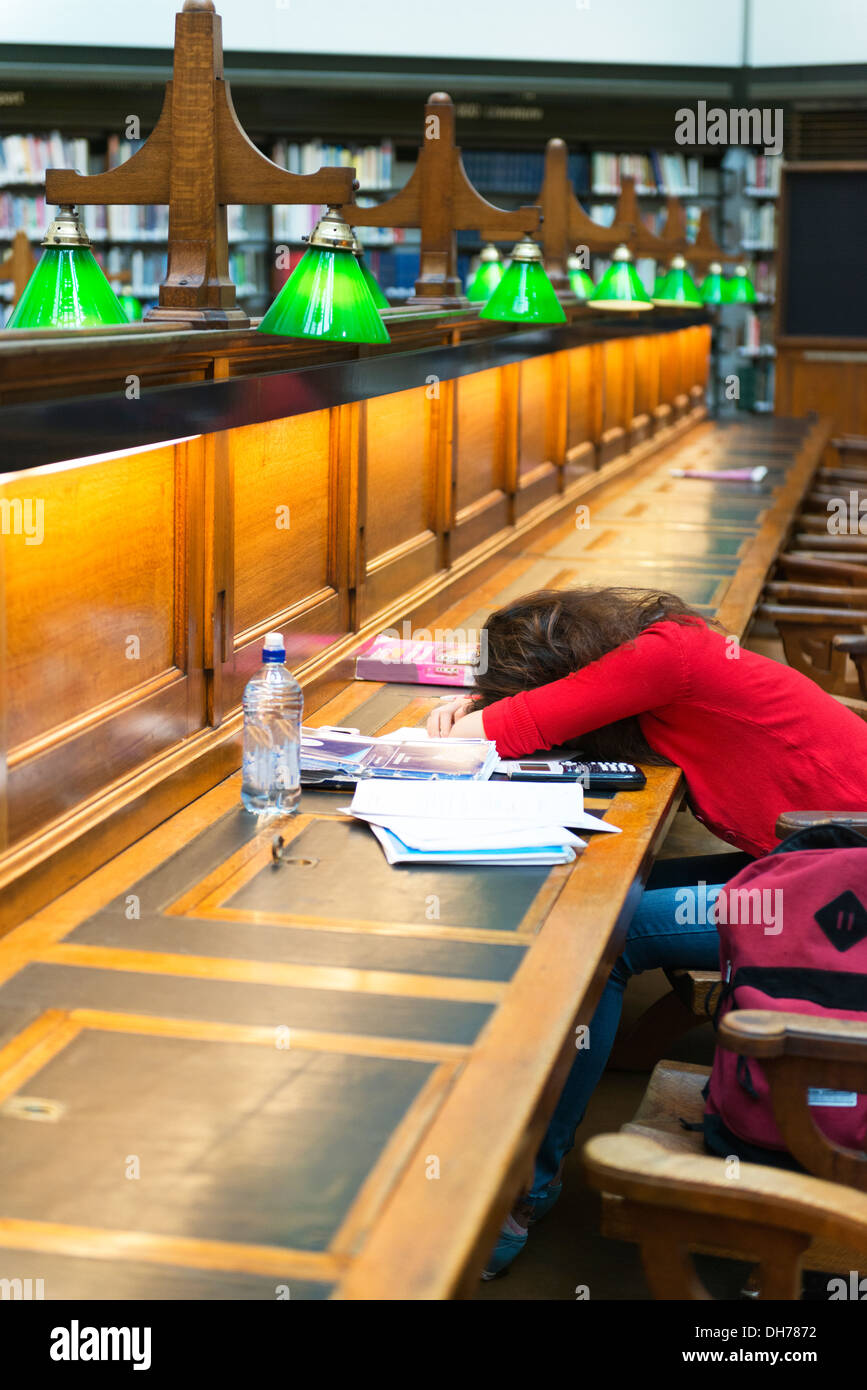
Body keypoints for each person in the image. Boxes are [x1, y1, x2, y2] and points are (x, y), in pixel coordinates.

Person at [426, 586, 867, 1278]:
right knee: (618, 893)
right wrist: (487, 704)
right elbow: (532, 714)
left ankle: (522, 1191)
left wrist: (477, 716)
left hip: (845, 882)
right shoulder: (671, 648)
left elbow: (492, 735)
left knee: (606, 932)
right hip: (819, 859)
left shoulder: (669, 657)